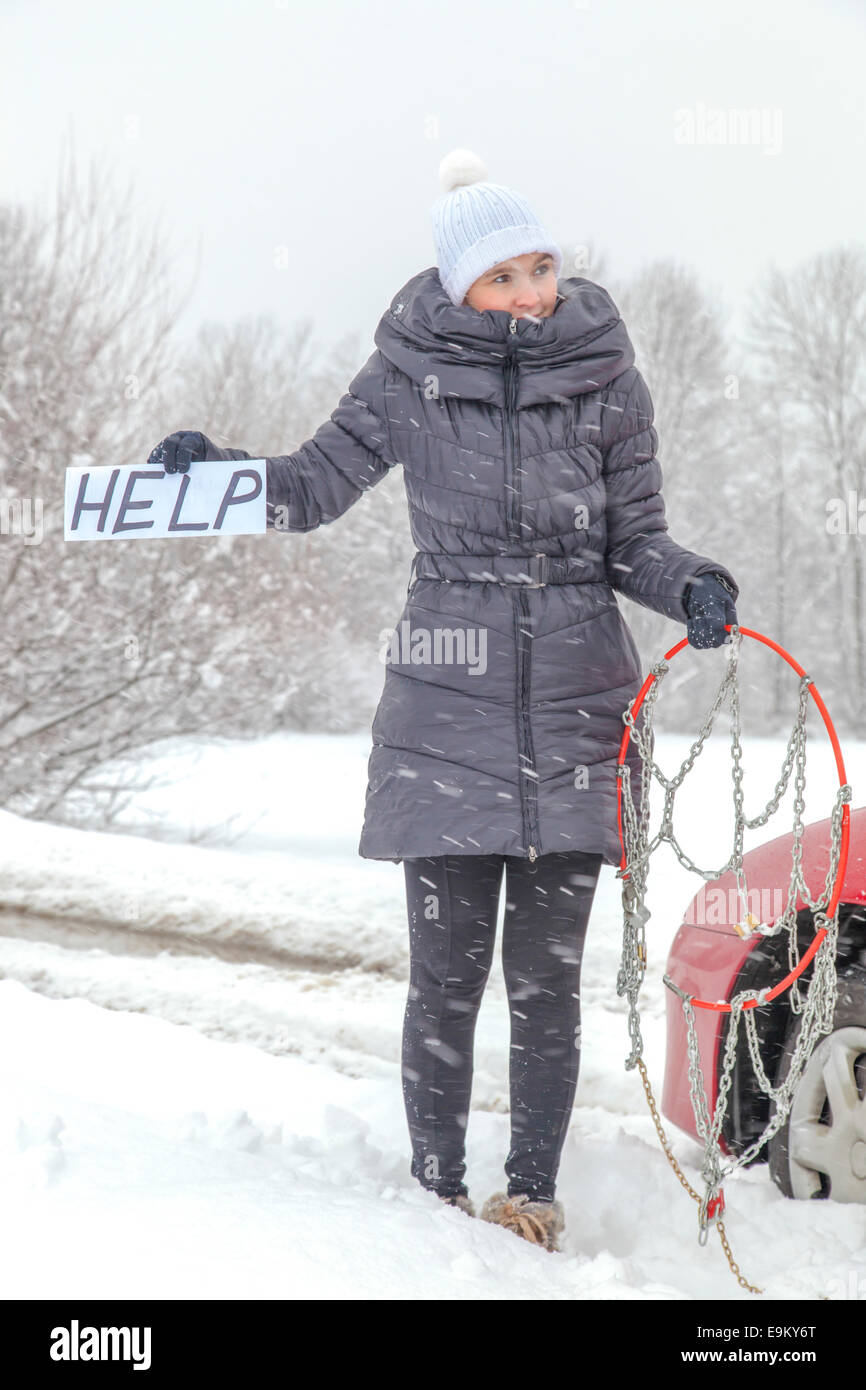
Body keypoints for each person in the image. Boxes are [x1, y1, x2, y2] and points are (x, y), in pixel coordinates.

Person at [147, 148, 739, 1254]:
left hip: (574, 711)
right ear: (458, 283)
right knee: (446, 979)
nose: (529, 292)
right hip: (441, 705)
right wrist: (213, 470)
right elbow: (310, 489)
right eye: (503, 275)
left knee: (546, 987)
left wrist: (691, 582)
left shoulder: (606, 378)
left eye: (539, 267)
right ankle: (432, 1201)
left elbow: (635, 544)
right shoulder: (403, 378)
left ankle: (531, 1197)